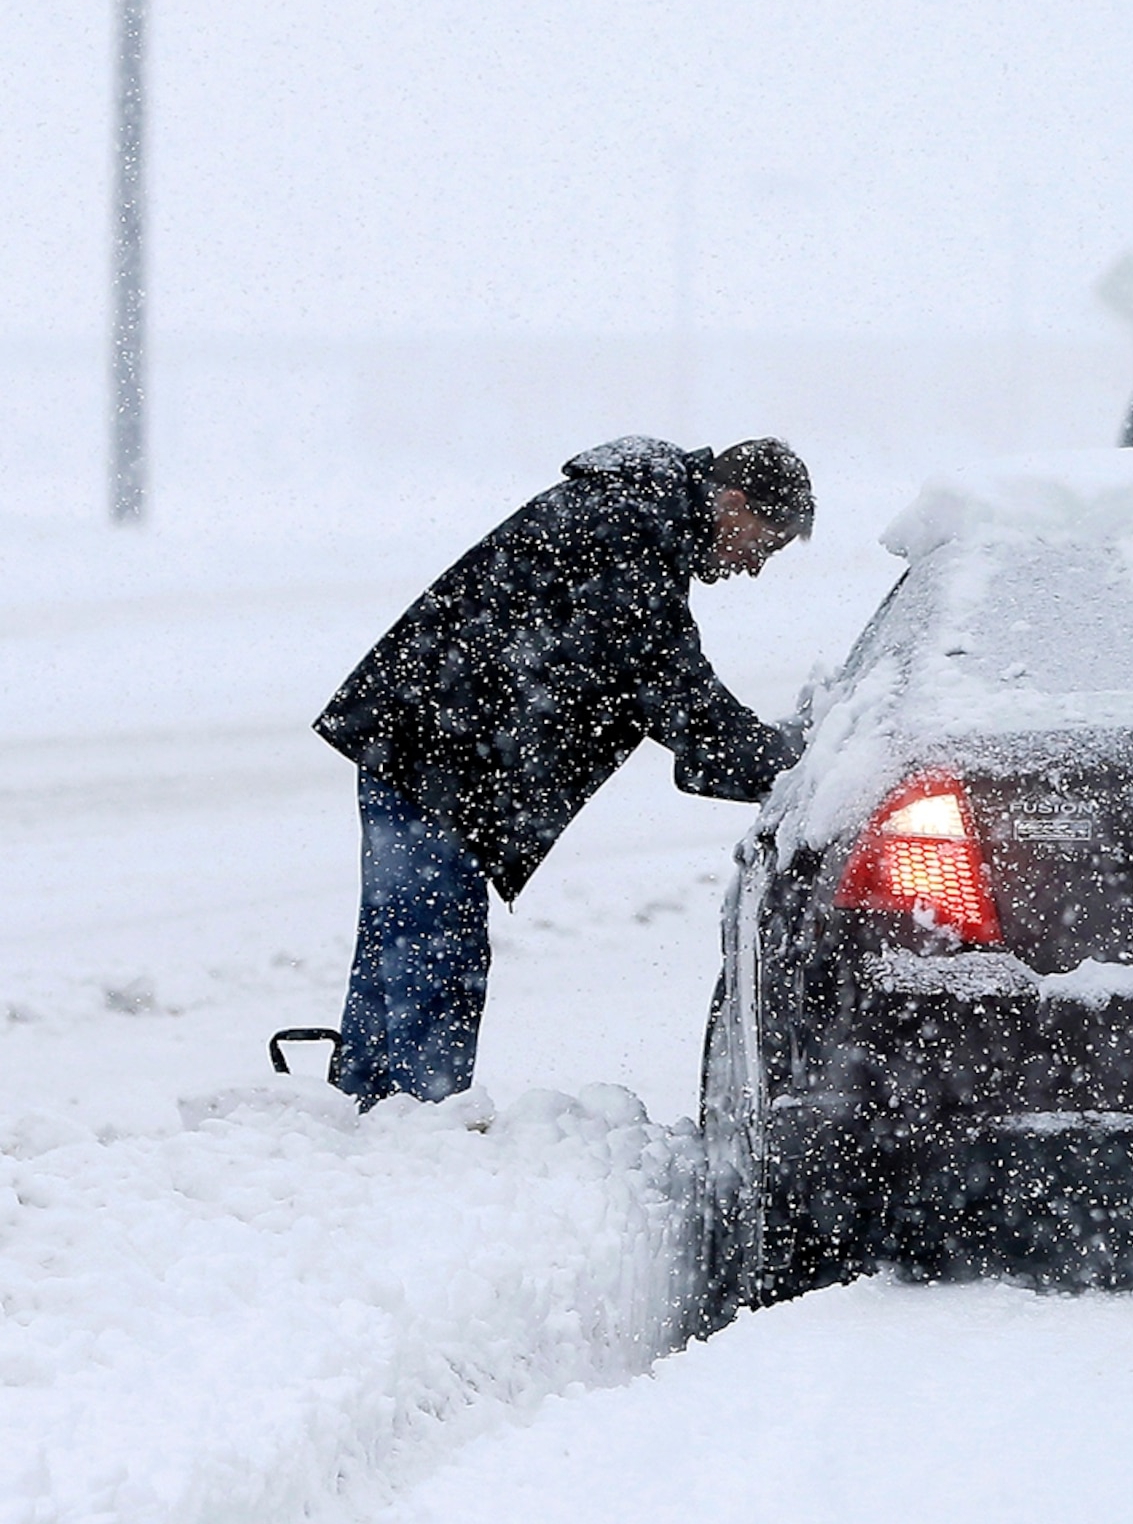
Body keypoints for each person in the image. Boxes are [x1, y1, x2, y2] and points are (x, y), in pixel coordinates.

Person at [311, 436, 815, 1106]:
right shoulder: (631, 527)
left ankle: (365, 1106)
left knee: (403, 939)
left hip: (426, 742)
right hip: (436, 748)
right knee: (435, 948)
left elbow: (657, 678)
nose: (754, 566)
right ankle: (411, 1116)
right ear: (731, 501)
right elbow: (668, 681)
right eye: (765, 542)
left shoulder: (639, 515)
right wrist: (793, 769)